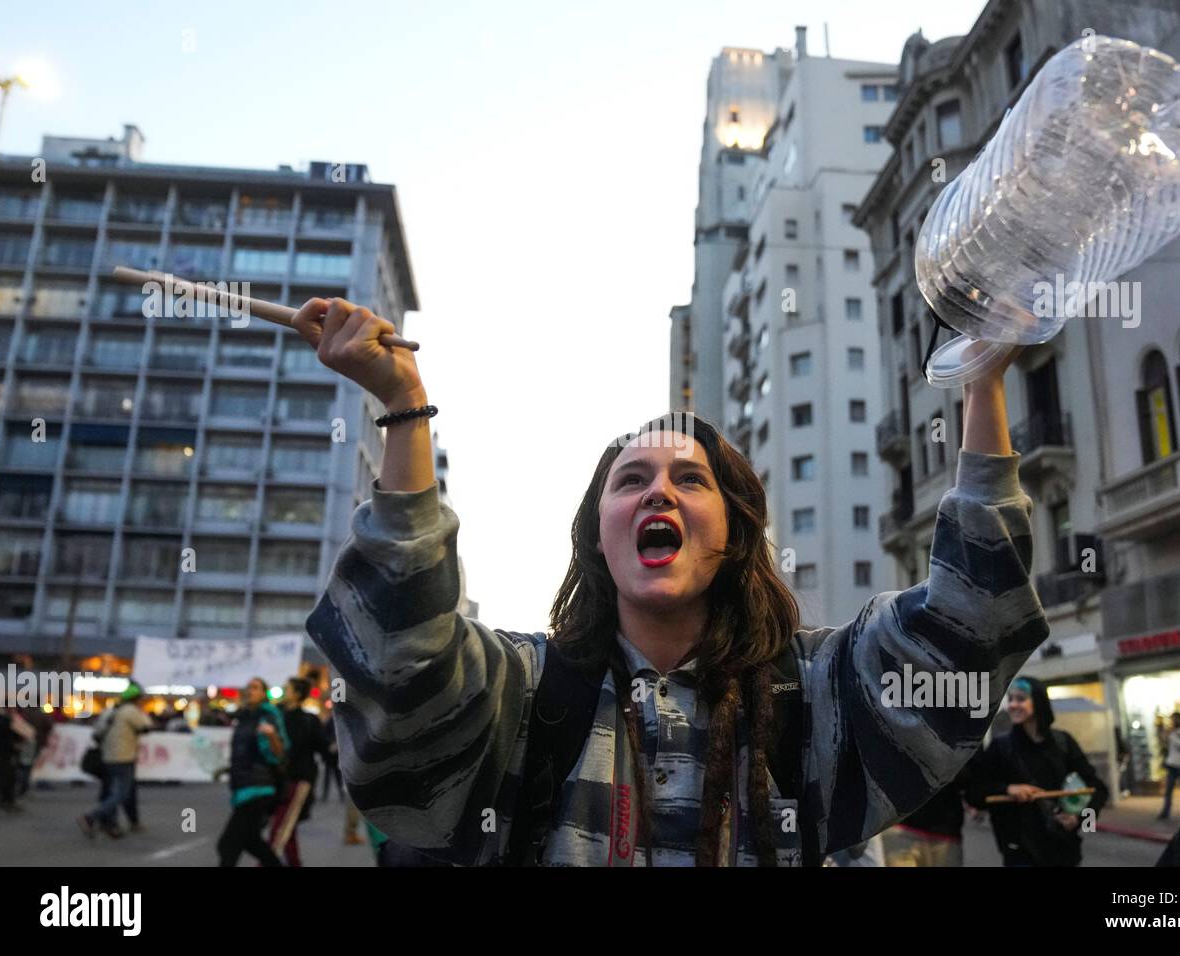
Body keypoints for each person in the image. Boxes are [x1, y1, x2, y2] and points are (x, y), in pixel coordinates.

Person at [294, 295, 1049, 866]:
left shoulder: (818, 689)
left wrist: (982, 387)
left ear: (735, 530)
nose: (658, 492)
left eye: (690, 479)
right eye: (631, 481)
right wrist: (404, 410)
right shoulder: (524, 691)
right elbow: (402, 662)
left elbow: (969, 625)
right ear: (599, 533)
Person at [966, 676, 1109, 866]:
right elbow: (974, 793)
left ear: (1039, 702)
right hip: (1019, 853)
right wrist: (1008, 790)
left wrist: (1081, 819)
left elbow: (1098, 789)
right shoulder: (1001, 748)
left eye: (1021, 698)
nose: (1012, 705)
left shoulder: (1063, 743)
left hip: (1064, 851)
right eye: (1011, 699)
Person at [215, 676, 289, 866]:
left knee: (228, 846)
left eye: (255, 687)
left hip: (258, 788)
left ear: (264, 693)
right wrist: (227, 769)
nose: (250, 690)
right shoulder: (246, 717)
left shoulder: (268, 715)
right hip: (242, 787)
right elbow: (244, 752)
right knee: (251, 841)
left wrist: (272, 736)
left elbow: (279, 754)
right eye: (248, 687)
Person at [78, 683, 152, 838]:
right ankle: (91, 817)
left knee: (110, 791)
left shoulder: (109, 711)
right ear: (136, 699)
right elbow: (146, 726)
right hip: (124, 757)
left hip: (108, 757)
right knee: (121, 794)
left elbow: (97, 732)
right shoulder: (131, 711)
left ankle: (109, 824)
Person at [267, 676, 326, 866]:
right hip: (279, 779)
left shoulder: (308, 720)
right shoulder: (278, 716)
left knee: (279, 829)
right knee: (287, 827)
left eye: (288, 689)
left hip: (299, 780)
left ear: (298, 694)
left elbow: (324, 746)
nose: (284, 691)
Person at [1158, 712, 1180, 821]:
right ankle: (1165, 812)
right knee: (1168, 790)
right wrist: (1164, 736)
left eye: (1174, 719)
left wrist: (1171, 736)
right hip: (1172, 764)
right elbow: (1166, 745)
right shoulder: (1173, 731)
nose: (1173, 722)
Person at [0, 707, 23, 814]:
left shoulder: (1, 718)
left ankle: (3, 801)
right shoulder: (3, 719)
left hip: (2, 753)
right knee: (3, 778)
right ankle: (1, 802)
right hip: (3, 753)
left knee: (4, 778)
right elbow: (5, 737)